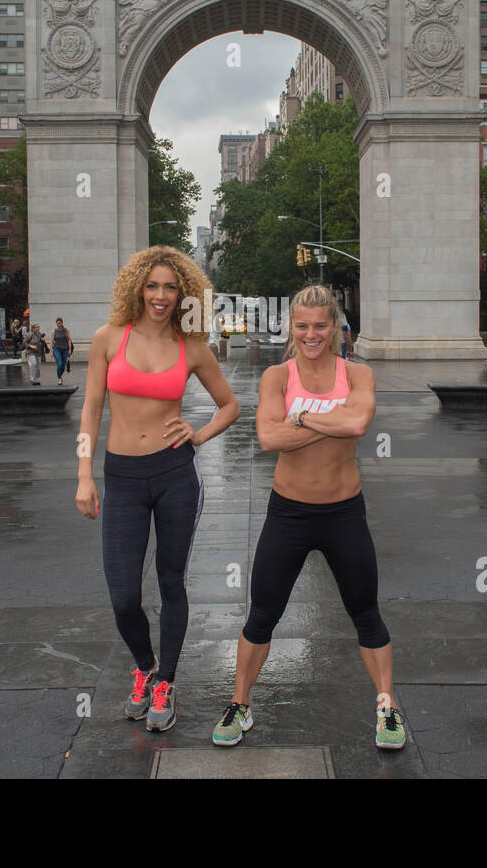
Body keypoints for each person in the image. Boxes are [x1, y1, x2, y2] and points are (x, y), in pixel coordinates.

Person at [211, 285, 404, 751]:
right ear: (291, 328)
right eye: (302, 326)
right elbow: (268, 440)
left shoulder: (357, 374)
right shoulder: (278, 376)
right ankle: (240, 704)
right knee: (261, 615)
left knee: (366, 613)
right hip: (289, 513)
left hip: (344, 514)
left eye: (321, 325)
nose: (312, 334)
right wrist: (325, 420)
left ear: (335, 326)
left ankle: (387, 708)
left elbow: (357, 426)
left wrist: (298, 419)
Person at [75, 247, 240, 732]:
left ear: (183, 293)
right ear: (137, 289)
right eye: (152, 286)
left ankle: (166, 680)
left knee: (171, 583)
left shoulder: (191, 347)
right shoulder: (109, 338)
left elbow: (229, 406)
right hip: (121, 476)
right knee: (124, 594)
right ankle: (145, 666)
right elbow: (89, 410)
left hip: (174, 476)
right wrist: (85, 473)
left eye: (171, 287)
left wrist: (199, 433)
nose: (161, 296)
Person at [51, 318, 74, 385]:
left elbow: (69, 340)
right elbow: (52, 341)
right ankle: (59, 378)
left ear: (62, 323)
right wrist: (51, 350)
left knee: (63, 365)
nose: (59, 324)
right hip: (56, 349)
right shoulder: (54, 331)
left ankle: (60, 375)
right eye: (57, 323)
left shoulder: (66, 330)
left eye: (60, 323)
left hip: (65, 349)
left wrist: (69, 349)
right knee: (60, 363)